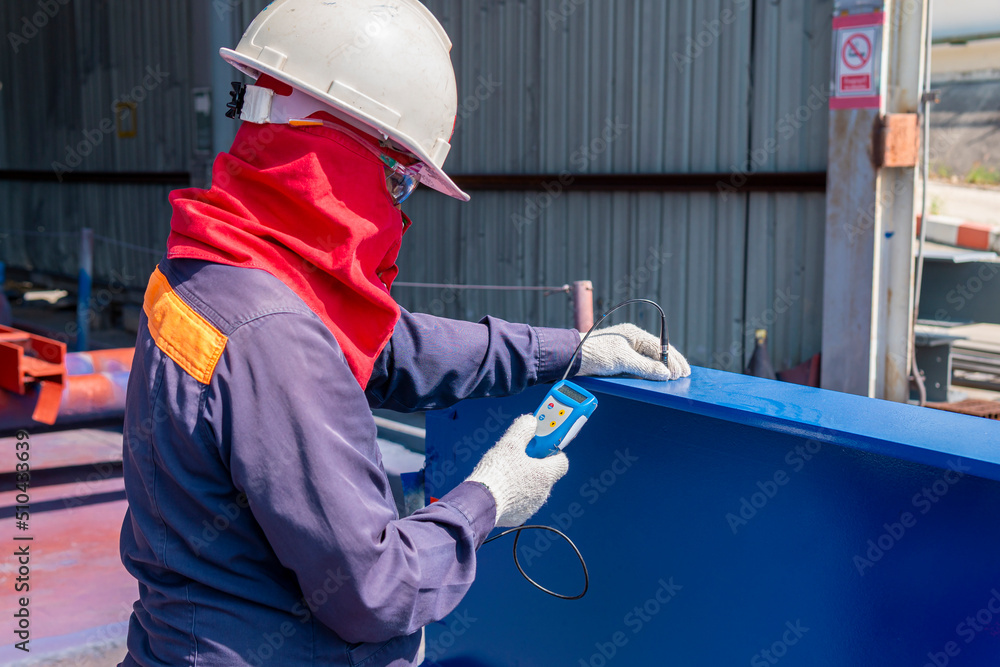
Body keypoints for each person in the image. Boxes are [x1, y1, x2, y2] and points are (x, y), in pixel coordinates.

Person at [118, 1, 690, 665]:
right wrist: (489, 497)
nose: (397, 206)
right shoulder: (276, 339)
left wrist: (569, 350)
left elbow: (382, 348)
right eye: (400, 178)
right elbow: (375, 591)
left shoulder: (210, 264)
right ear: (338, 151)